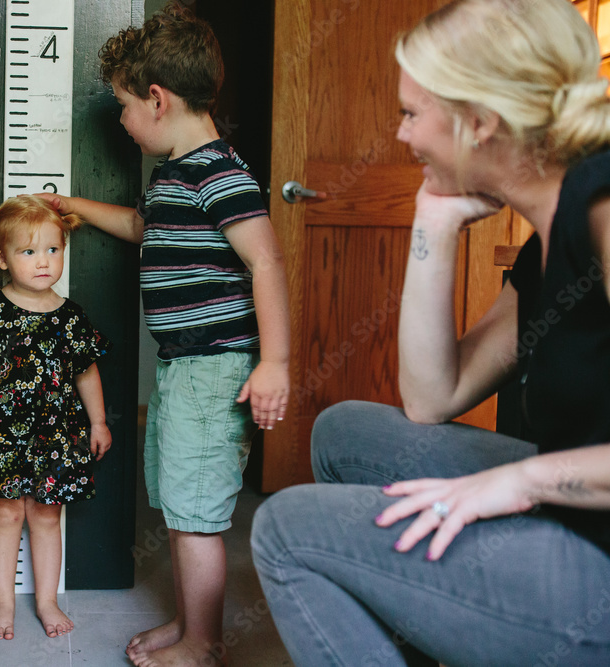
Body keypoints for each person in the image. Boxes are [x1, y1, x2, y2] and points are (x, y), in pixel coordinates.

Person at [251, 0, 610, 664]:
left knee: (284, 531)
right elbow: (430, 398)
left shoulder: (604, 202)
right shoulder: (546, 242)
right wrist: (433, 224)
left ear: (480, 122)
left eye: (412, 113)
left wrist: (521, 482)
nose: (401, 136)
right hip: (579, 510)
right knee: (344, 432)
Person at [38, 4, 292, 665]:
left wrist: (275, 363)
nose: (121, 120)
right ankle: (187, 624)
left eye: (124, 106)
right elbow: (141, 227)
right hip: (184, 367)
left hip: (215, 367)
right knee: (181, 503)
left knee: (197, 509)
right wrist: (74, 209)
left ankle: (203, 644)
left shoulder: (221, 174)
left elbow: (266, 259)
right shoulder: (177, 176)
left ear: (158, 99)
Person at [0, 195, 112, 641]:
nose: (43, 262)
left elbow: (87, 373)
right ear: (2, 256)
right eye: (28, 252)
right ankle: (3, 602)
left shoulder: (71, 317)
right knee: (7, 515)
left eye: (53, 250)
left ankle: (47, 600)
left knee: (47, 516)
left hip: (57, 435)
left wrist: (99, 422)